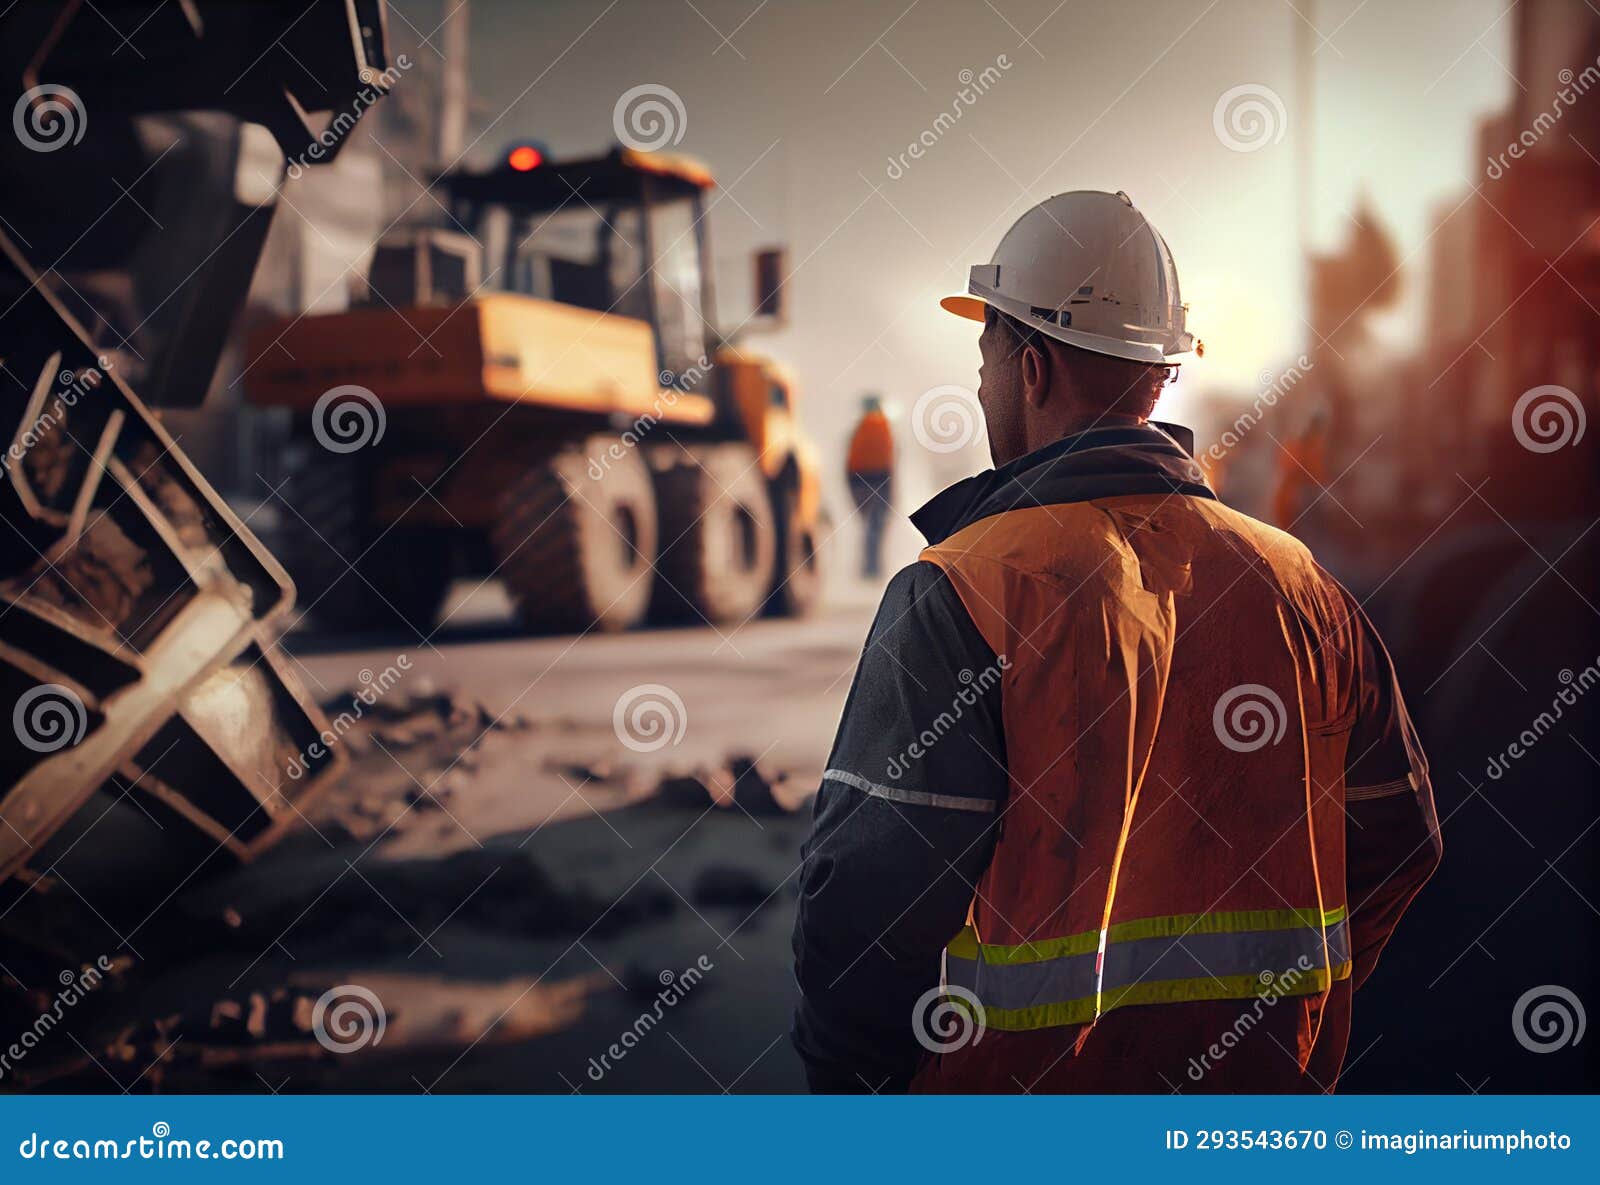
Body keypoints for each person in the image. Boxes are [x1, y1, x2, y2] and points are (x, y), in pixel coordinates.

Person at [791, 191, 1439, 1094]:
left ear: (1033, 365)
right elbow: (1401, 839)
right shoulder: (1301, 583)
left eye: (985, 353)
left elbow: (865, 910)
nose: (979, 384)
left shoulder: (965, 588)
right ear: (1163, 375)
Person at [845, 395, 894, 579]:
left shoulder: (858, 429)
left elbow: (849, 462)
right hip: (880, 481)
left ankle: (870, 566)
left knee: (870, 525)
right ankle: (872, 567)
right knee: (876, 525)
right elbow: (891, 462)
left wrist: (850, 487)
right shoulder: (884, 427)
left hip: (859, 482)